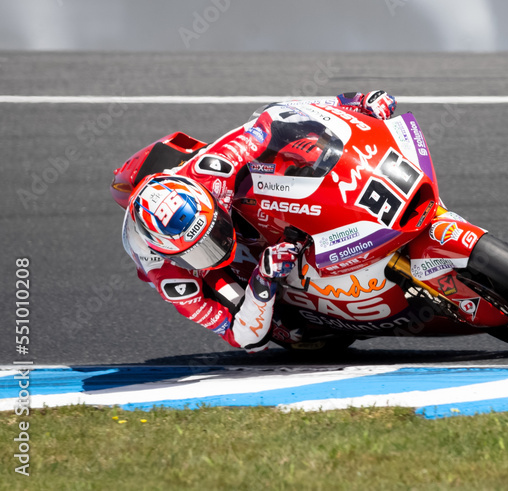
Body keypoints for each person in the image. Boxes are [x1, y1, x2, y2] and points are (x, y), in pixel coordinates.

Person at [117, 91, 397, 351]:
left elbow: (275, 117)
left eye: (215, 233)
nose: (218, 247)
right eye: (200, 249)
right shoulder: (168, 274)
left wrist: (354, 103)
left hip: (226, 195)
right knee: (279, 330)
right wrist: (262, 279)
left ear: (209, 200)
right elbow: (242, 338)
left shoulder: (213, 169)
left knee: (295, 150)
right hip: (208, 272)